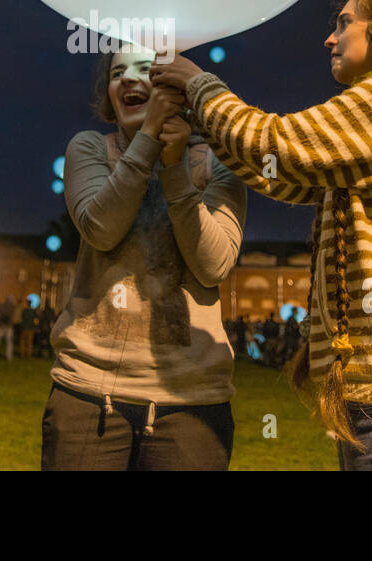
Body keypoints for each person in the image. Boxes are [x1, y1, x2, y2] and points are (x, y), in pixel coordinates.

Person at [152, 0, 372, 471]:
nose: (330, 38)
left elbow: (277, 144)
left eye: (346, 23)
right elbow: (286, 177)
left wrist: (198, 84)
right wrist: (202, 126)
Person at [41, 42, 248, 471]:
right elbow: (101, 228)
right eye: (118, 73)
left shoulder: (216, 162)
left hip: (190, 404)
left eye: (144, 69)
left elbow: (212, 265)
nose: (129, 79)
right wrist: (149, 141)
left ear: (176, 85)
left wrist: (174, 171)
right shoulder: (90, 148)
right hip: (89, 395)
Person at [0, 296, 16, 360]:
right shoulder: (12, 307)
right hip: (8, 326)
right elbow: (13, 318)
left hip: (0, 326)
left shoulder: (1, 306)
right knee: (9, 342)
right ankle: (9, 356)